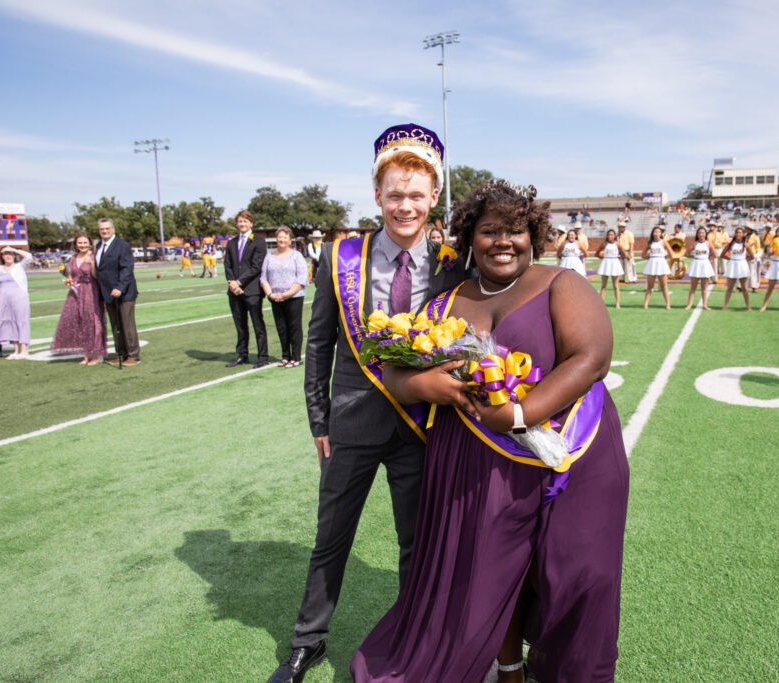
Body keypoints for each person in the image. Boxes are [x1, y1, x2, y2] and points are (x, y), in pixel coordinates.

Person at [351, 180, 628, 682]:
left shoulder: (560, 283)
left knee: (581, 575)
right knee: (489, 577)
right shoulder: (445, 302)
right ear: (469, 238)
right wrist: (425, 383)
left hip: (576, 457)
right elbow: (393, 370)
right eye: (489, 231)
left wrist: (519, 416)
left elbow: (591, 359)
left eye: (515, 230)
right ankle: (508, 667)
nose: (504, 241)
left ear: (534, 235)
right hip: (480, 463)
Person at [269, 123, 465, 683]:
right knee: (331, 538)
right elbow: (318, 344)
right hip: (352, 420)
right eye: (395, 194)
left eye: (417, 195)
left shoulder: (451, 260)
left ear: (434, 197)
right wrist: (317, 421)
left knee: (416, 543)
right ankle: (308, 642)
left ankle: (411, 641)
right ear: (377, 195)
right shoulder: (340, 255)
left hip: (422, 422)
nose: (406, 205)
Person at [51, 233, 106, 365]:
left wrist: (92, 263)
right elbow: (72, 275)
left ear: (90, 243)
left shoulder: (93, 256)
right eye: (80, 243)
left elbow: (96, 276)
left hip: (91, 291)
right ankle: (87, 354)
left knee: (93, 323)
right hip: (76, 293)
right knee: (81, 323)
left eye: (85, 242)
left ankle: (96, 354)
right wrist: (69, 282)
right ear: (76, 244)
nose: (82, 245)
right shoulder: (73, 258)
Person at [224, 209, 269, 368]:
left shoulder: (258, 241)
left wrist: (239, 282)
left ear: (251, 223)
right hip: (234, 291)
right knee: (240, 325)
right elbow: (227, 265)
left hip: (252, 290)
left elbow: (256, 266)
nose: (242, 224)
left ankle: (263, 357)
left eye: (245, 221)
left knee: (258, 324)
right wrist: (232, 283)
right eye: (240, 221)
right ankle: (242, 354)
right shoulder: (231, 242)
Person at [260, 226, 309, 368]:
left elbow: (301, 279)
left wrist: (287, 294)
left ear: (290, 240)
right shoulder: (269, 256)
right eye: (279, 237)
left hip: (294, 297)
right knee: (281, 327)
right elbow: (263, 278)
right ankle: (285, 356)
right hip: (275, 297)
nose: (282, 240)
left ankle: (296, 357)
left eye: (285, 237)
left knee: (294, 326)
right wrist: (270, 294)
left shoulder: (296, 256)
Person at [94, 218, 140, 366]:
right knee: (116, 326)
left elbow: (127, 268)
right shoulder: (99, 246)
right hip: (107, 293)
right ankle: (121, 353)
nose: (105, 231)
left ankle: (133, 355)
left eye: (107, 228)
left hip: (124, 292)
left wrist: (120, 287)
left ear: (113, 229)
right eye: (102, 229)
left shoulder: (122, 245)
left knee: (127, 325)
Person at [0, 246, 33, 359]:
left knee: (21, 321)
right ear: (1, 256)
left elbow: (29, 257)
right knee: (10, 322)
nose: (8, 256)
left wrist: (15, 249)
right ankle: (16, 350)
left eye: (10, 253)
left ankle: (24, 350)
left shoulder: (19, 266)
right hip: (4, 299)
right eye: (5, 254)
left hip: (19, 297)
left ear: (14, 255)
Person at [721, 226, 754, 310]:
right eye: (737, 232)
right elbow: (722, 255)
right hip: (732, 266)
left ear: (743, 234)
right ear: (735, 234)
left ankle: (748, 306)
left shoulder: (745, 244)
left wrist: (744, 260)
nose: (738, 234)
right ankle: (725, 305)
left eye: (740, 232)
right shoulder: (731, 244)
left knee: (745, 288)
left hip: (742, 266)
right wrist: (731, 259)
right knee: (730, 287)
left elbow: (752, 256)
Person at [685, 226, 717, 310]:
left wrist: (709, 260)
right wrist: (695, 257)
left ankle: (705, 305)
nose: (701, 234)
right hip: (696, 264)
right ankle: (689, 304)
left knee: (704, 288)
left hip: (705, 265)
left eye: (703, 232)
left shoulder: (708, 243)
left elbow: (715, 254)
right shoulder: (695, 243)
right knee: (693, 287)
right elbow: (687, 254)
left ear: (705, 234)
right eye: (699, 233)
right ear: (697, 234)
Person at [642, 226, 673, 309]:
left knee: (664, 286)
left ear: (661, 234)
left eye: (658, 232)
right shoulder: (650, 243)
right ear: (652, 233)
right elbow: (643, 255)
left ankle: (668, 304)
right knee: (649, 286)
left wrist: (663, 257)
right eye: (655, 232)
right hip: (652, 264)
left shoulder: (664, 242)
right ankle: (645, 304)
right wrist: (650, 257)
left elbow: (671, 254)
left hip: (661, 264)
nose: (656, 233)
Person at [597, 228, 626, 308]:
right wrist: (603, 258)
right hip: (606, 264)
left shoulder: (617, 244)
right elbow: (597, 253)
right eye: (609, 235)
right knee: (603, 285)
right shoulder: (604, 244)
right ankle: (601, 303)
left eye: (612, 235)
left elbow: (623, 253)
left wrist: (620, 257)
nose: (610, 236)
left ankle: (617, 303)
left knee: (616, 285)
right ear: (607, 236)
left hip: (614, 264)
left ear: (615, 236)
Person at [744, 226, 762, 292]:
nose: (745, 229)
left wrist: (757, 255)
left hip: (752, 255)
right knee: (744, 271)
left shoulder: (755, 237)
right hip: (745, 255)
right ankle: (743, 286)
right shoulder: (745, 236)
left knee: (752, 271)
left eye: (747, 228)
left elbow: (758, 247)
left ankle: (754, 286)